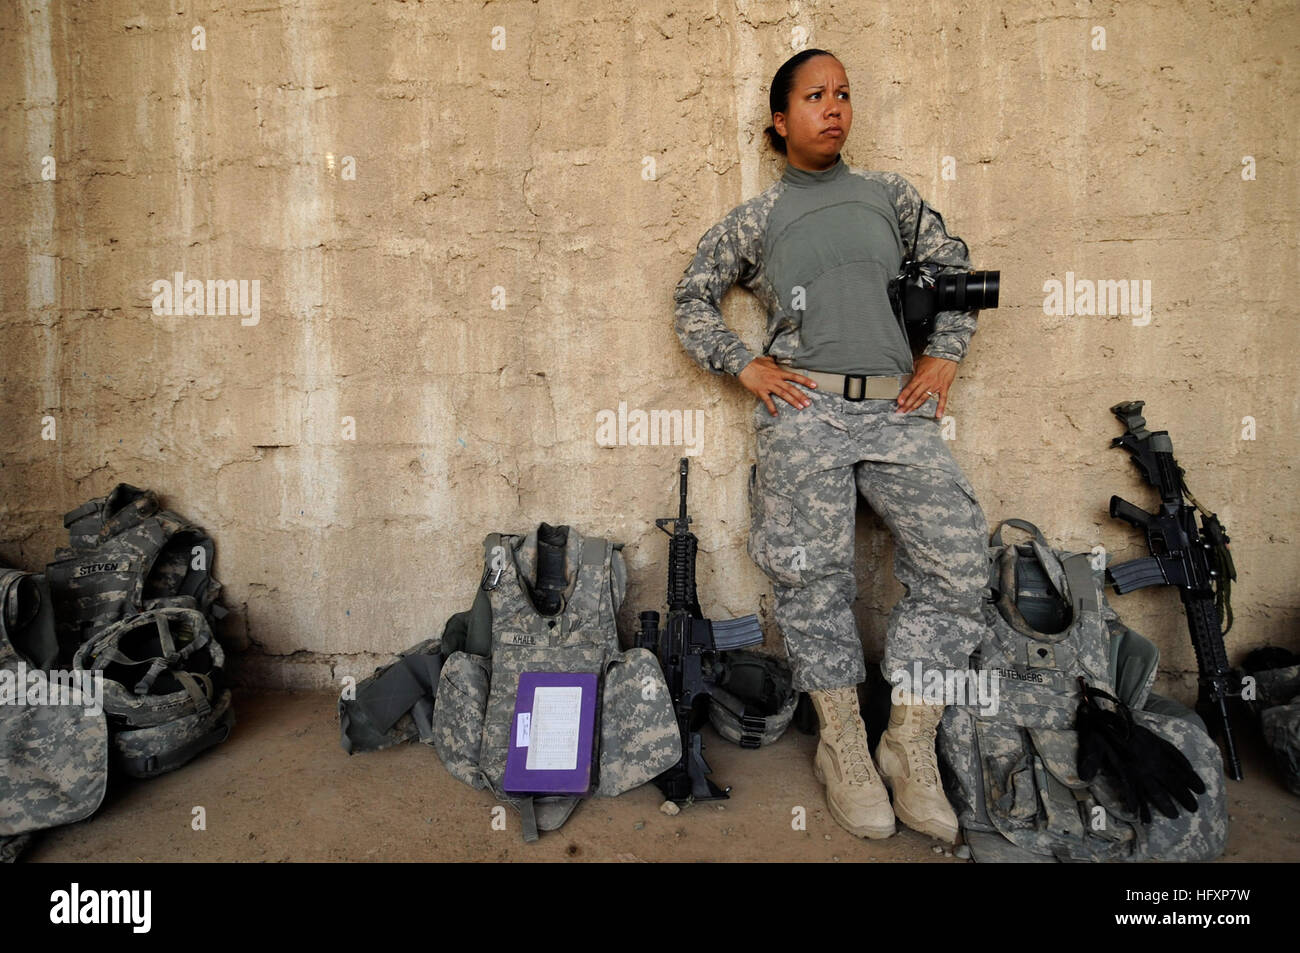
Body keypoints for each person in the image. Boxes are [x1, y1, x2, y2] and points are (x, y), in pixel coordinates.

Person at [672, 49, 990, 843]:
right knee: (811, 575)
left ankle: (907, 741)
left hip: (896, 406)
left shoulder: (889, 197)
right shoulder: (759, 218)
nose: (835, 106)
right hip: (805, 408)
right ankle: (843, 744)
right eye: (815, 96)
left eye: (844, 93)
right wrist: (743, 362)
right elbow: (690, 296)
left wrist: (945, 349)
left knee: (958, 564)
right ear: (781, 121)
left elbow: (955, 270)